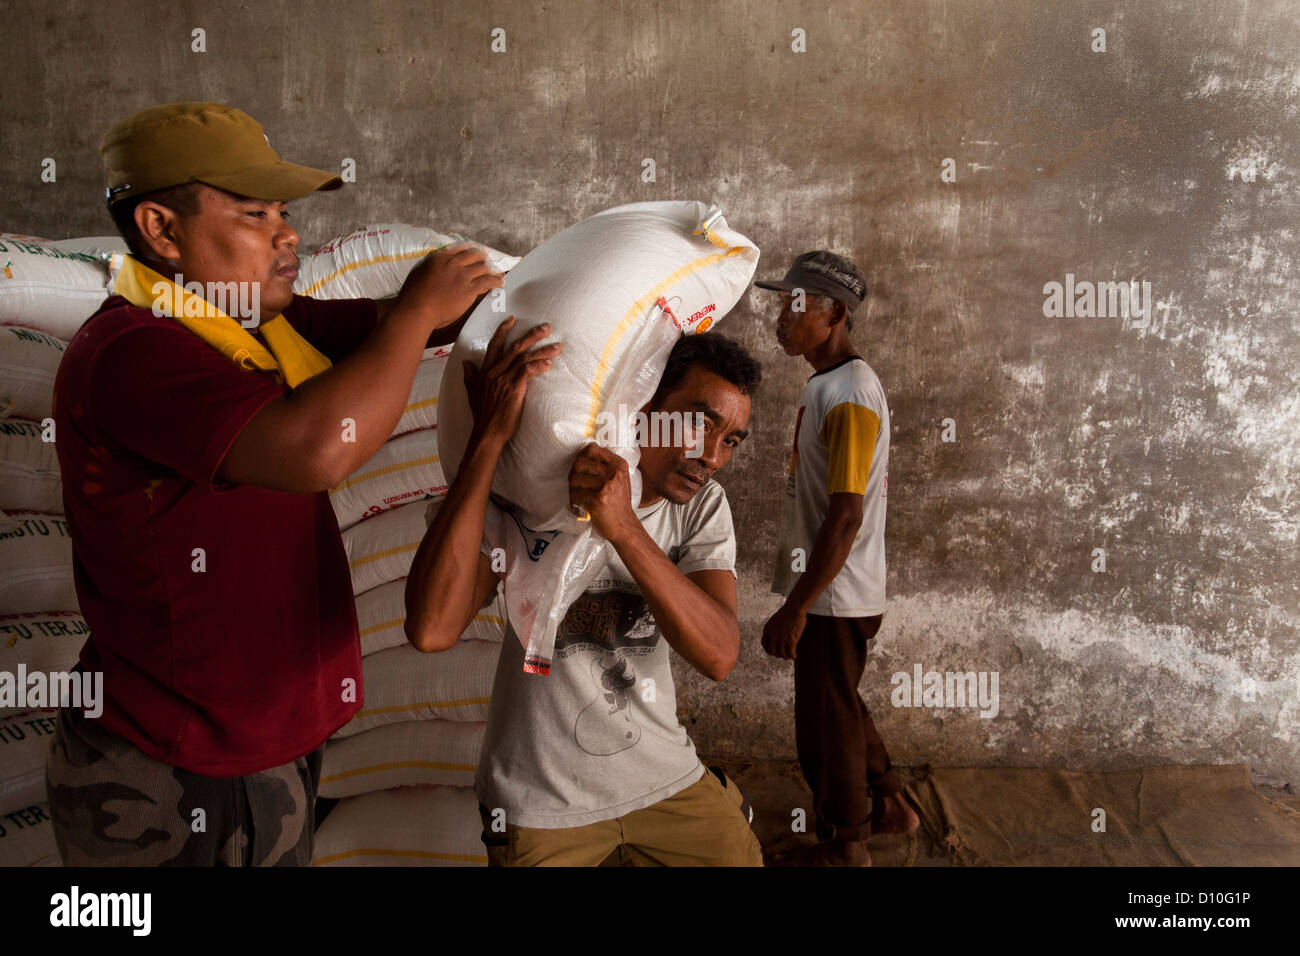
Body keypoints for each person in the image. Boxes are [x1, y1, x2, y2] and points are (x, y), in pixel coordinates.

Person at [46, 101, 502, 866]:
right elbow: (320, 449)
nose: (287, 233)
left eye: (285, 212)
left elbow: (401, 326)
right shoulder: (133, 353)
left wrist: (511, 294)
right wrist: (420, 308)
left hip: (266, 745)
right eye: (254, 212)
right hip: (168, 763)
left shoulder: (260, 325)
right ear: (161, 230)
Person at [405, 326, 764, 866]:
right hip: (542, 802)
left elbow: (719, 654)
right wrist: (490, 437)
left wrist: (623, 527)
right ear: (643, 404)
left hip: (663, 777)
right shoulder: (528, 494)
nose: (712, 456)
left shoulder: (699, 506)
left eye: (731, 439)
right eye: (697, 422)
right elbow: (431, 629)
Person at [756, 250, 918, 867]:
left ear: (836, 315)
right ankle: (891, 804)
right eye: (781, 304)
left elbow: (846, 514)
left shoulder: (849, 392)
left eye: (796, 307)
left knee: (824, 725)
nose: (781, 319)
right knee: (841, 703)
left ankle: (846, 846)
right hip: (838, 589)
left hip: (832, 592)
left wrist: (797, 607)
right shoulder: (829, 385)